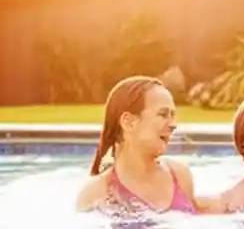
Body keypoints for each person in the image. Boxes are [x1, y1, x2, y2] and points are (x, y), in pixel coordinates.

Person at [75, 76, 197, 214]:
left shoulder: (180, 176)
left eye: (172, 115)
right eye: (163, 115)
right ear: (128, 122)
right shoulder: (96, 195)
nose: (173, 125)